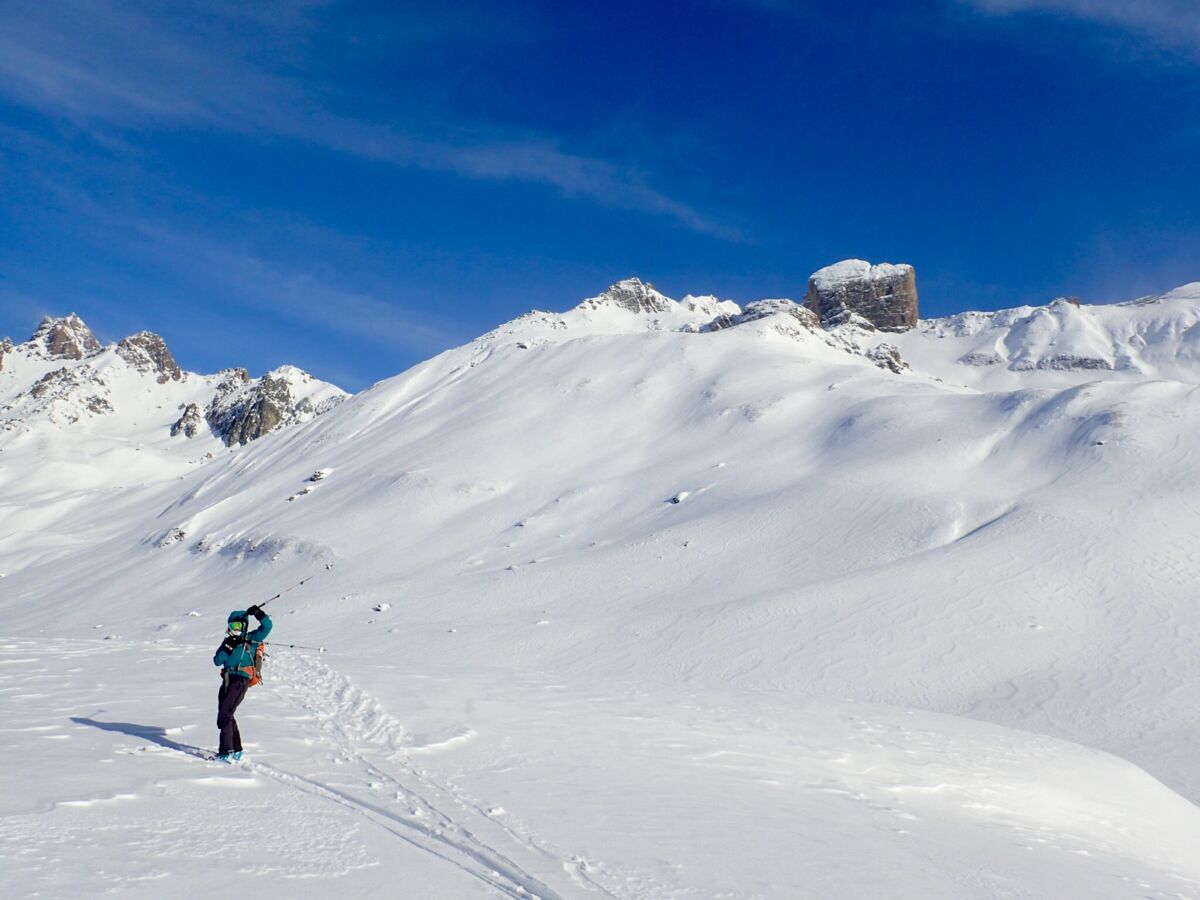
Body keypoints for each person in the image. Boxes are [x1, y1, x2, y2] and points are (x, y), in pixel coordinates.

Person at [212, 604, 271, 762]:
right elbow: (217, 661)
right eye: (233, 625)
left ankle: (226, 752)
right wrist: (228, 647)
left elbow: (267, 626)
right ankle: (236, 750)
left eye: (239, 625)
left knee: (224, 715)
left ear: (244, 626)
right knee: (227, 714)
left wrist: (258, 613)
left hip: (240, 680)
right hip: (226, 680)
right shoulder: (227, 642)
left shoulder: (251, 639)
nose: (236, 628)